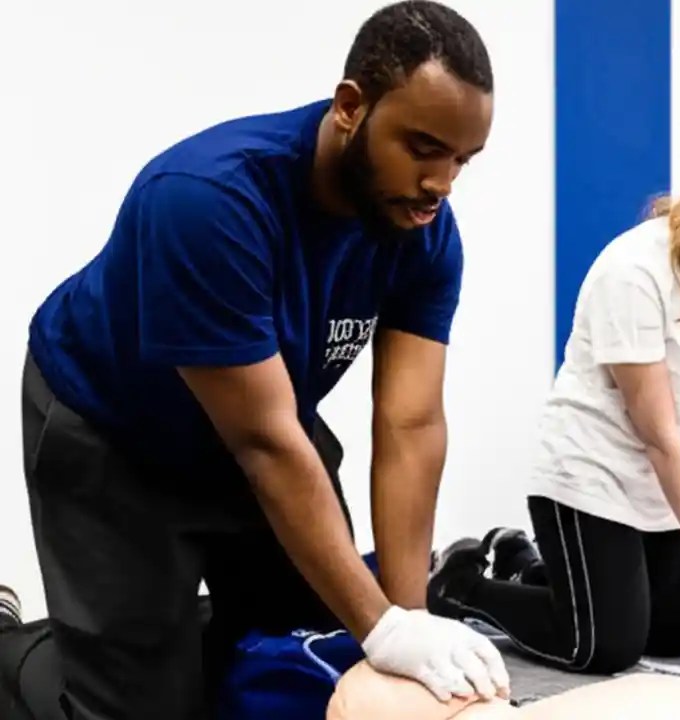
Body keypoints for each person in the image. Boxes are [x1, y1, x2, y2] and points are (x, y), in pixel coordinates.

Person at [15, 2, 509, 717]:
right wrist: (384, 627)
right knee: (140, 702)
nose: (443, 182)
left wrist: (408, 623)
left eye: (463, 159)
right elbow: (266, 444)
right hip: (114, 433)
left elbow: (410, 424)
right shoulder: (209, 199)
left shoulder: (422, 229)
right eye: (424, 146)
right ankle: (21, 646)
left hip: (262, 426)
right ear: (350, 107)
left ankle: (163, 639)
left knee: (304, 651)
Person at [426, 148, 680, 675]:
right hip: (591, 478)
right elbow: (658, 436)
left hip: (661, 486)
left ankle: (523, 561)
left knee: (679, 631)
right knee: (604, 646)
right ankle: (463, 586)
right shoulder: (634, 273)